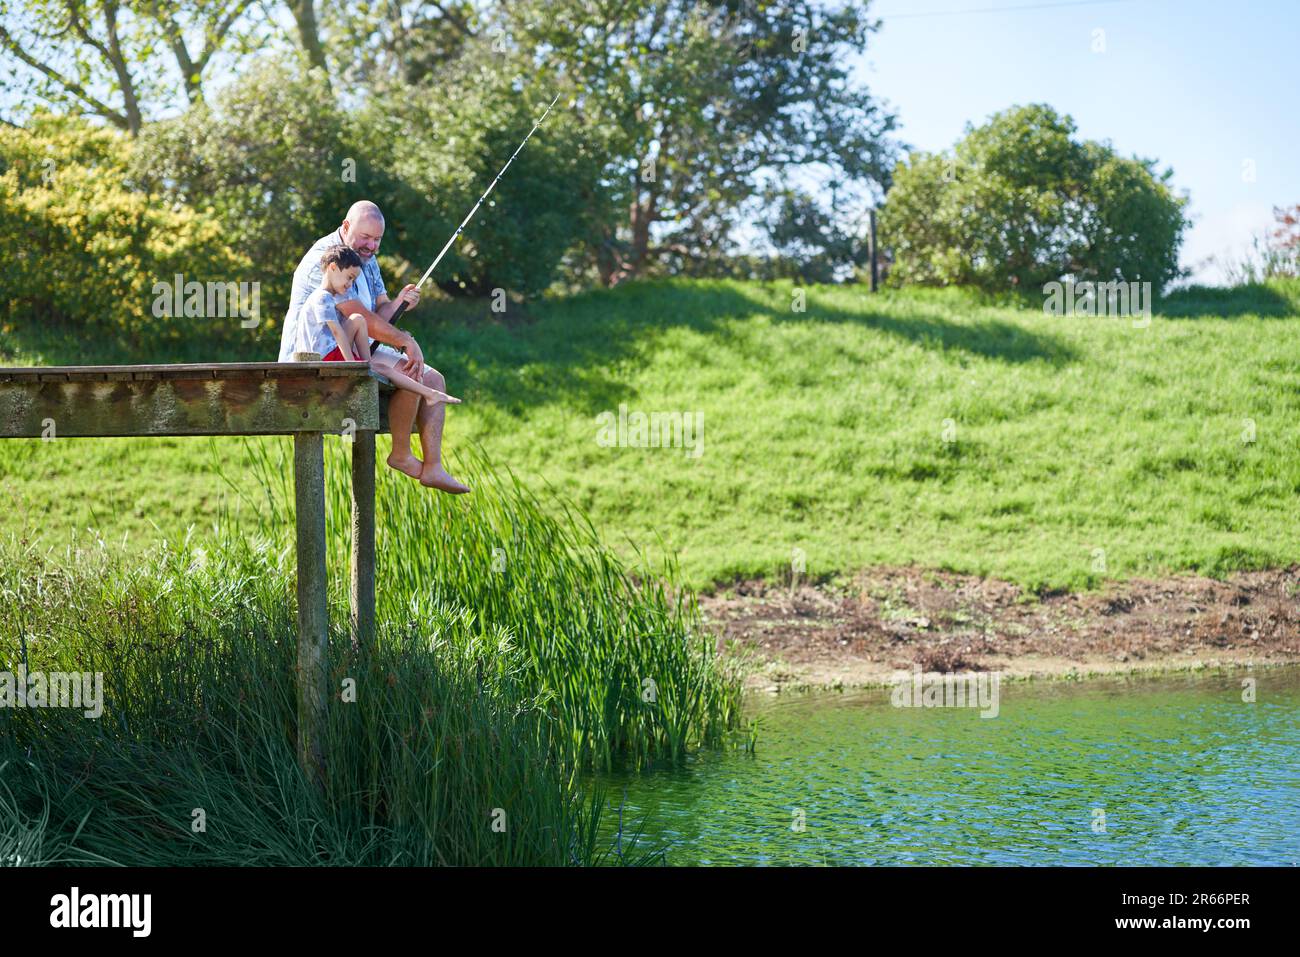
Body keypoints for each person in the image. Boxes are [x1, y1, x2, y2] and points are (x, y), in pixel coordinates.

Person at [279, 200, 470, 494]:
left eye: (377, 239)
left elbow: (380, 312)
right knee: (411, 372)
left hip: (354, 344)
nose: (371, 245)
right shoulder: (327, 259)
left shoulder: (366, 260)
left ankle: (433, 467)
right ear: (345, 227)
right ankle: (402, 455)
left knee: (430, 375)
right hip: (316, 354)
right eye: (365, 237)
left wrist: (400, 303)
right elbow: (358, 314)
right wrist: (406, 341)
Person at [295, 245, 461, 408]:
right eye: (349, 277)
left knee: (358, 319)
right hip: (326, 360)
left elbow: (345, 330)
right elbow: (337, 333)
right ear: (332, 267)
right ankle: (430, 393)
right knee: (383, 368)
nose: (350, 284)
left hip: (333, 355)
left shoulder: (328, 296)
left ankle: (368, 365)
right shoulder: (322, 297)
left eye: (353, 280)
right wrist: (352, 365)